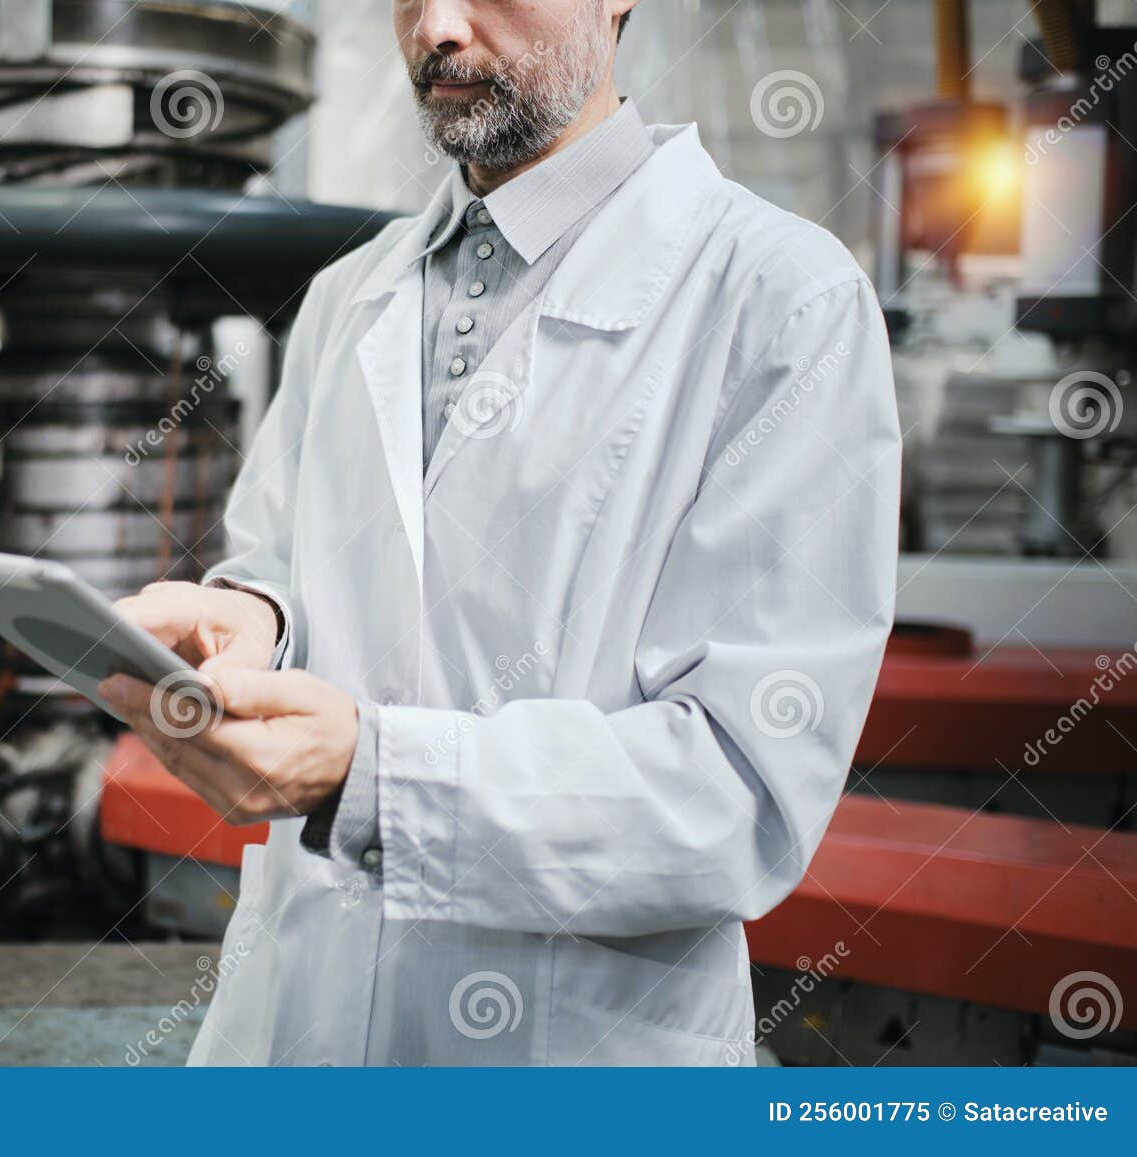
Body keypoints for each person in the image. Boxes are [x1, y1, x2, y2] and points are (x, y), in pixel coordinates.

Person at [100, 0, 900, 1066]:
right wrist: (246, 619)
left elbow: (739, 790)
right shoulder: (350, 294)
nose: (436, 27)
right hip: (297, 1023)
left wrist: (372, 777)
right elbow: (283, 563)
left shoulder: (779, 300)